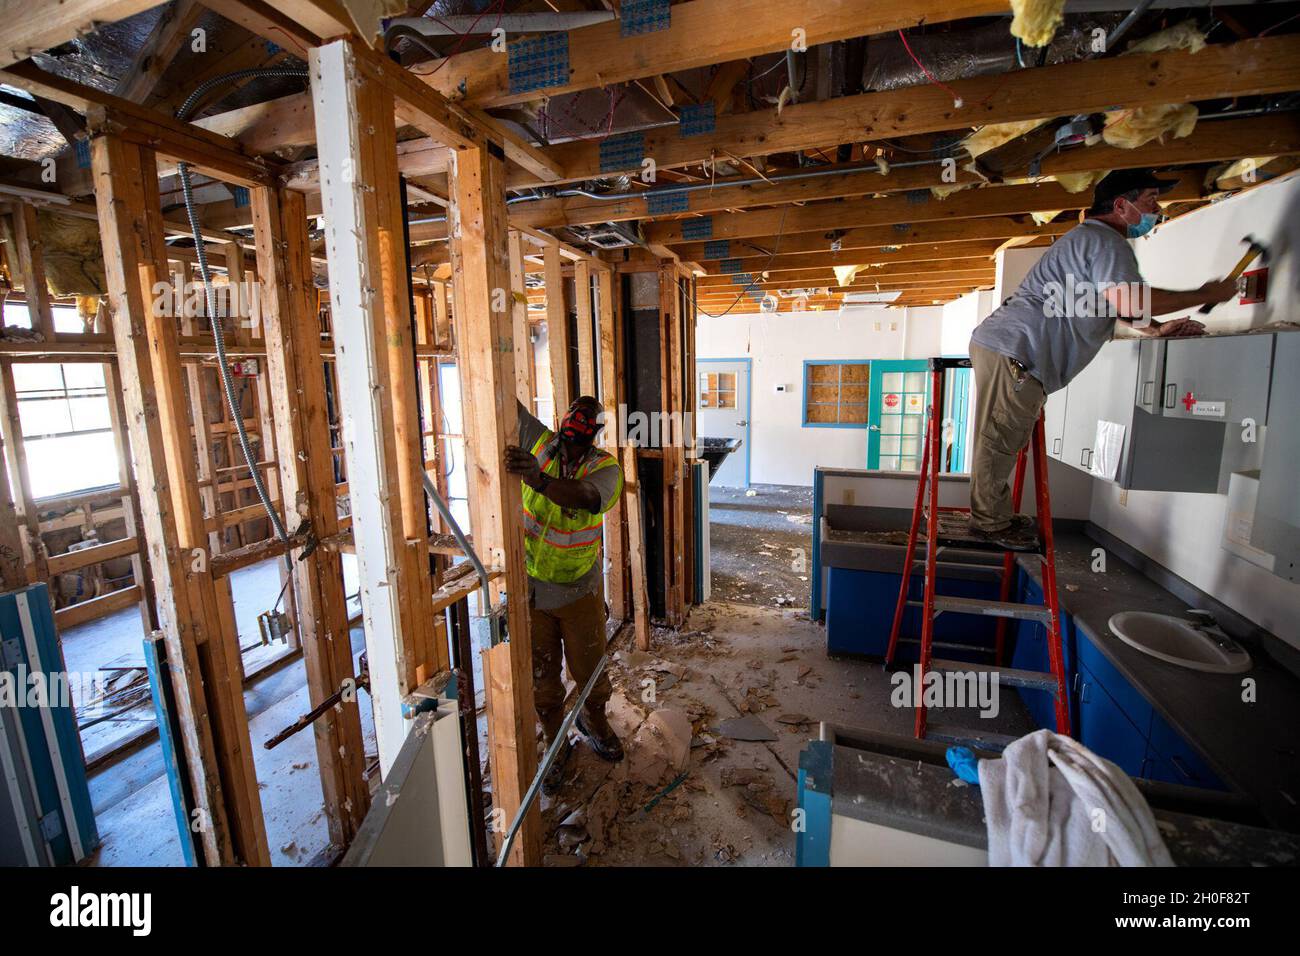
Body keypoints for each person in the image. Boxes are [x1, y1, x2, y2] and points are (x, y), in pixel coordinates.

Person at [966, 168, 1238, 550]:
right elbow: (1127, 299)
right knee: (999, 440)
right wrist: (1206, 292)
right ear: (1121, 205)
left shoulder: (1088, 241)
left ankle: (991, 517)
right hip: (1018, 351)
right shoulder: (1106, 242)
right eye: (1149, 200)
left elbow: (1106, 303)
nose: (1156, 209)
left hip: (1011, 347)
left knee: (1001, 436)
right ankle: (990, 524)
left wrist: (1155, 329)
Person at [503, 396, 624, 792]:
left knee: (590, 672)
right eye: (576, 409)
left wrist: (539, 480)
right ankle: (556, 747)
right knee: (542, 681)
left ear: (597, 429)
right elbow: (508, 401)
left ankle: (594, 721)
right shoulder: (539, 442)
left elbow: (588, 498)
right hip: (532, 590)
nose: (580, 418)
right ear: (563, 416)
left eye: (590, 415)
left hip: (578, 592)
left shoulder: (605, 467)